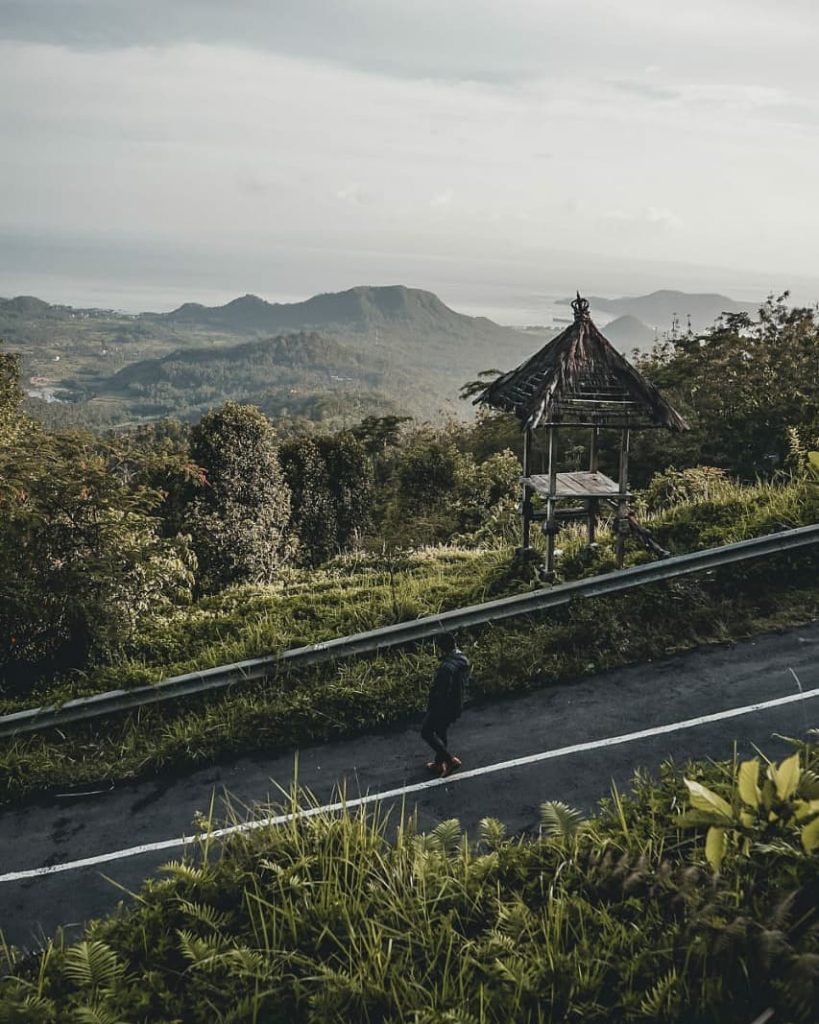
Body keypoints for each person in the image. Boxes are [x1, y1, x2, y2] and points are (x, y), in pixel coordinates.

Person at [421, 632, 470, 777]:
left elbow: (441, 693)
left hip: (443, 707)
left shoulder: (446, 669)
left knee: (426, 732)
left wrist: (432, 708)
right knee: (441, 732)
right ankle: (438, 764)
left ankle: (450, 760)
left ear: (442, 648)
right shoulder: (462, 659)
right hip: (457, 704)